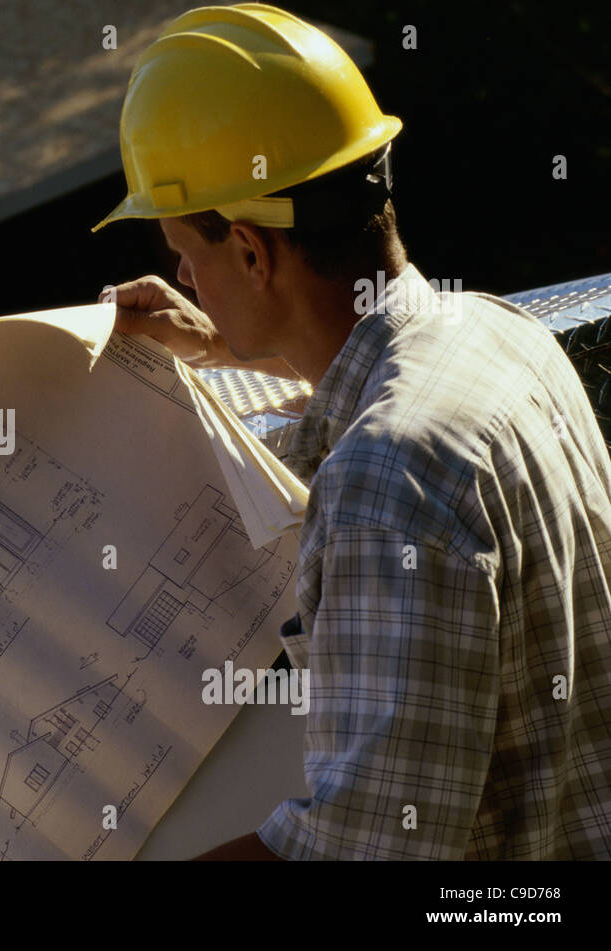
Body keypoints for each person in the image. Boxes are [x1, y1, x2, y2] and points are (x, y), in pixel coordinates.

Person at [95, 3, 611, 859]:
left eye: (189, 253)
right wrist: (222, 338)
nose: (183, 274)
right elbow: (365, 365)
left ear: (255, 253)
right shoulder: (498, 335)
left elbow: (355, 853)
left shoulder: (386, 482)